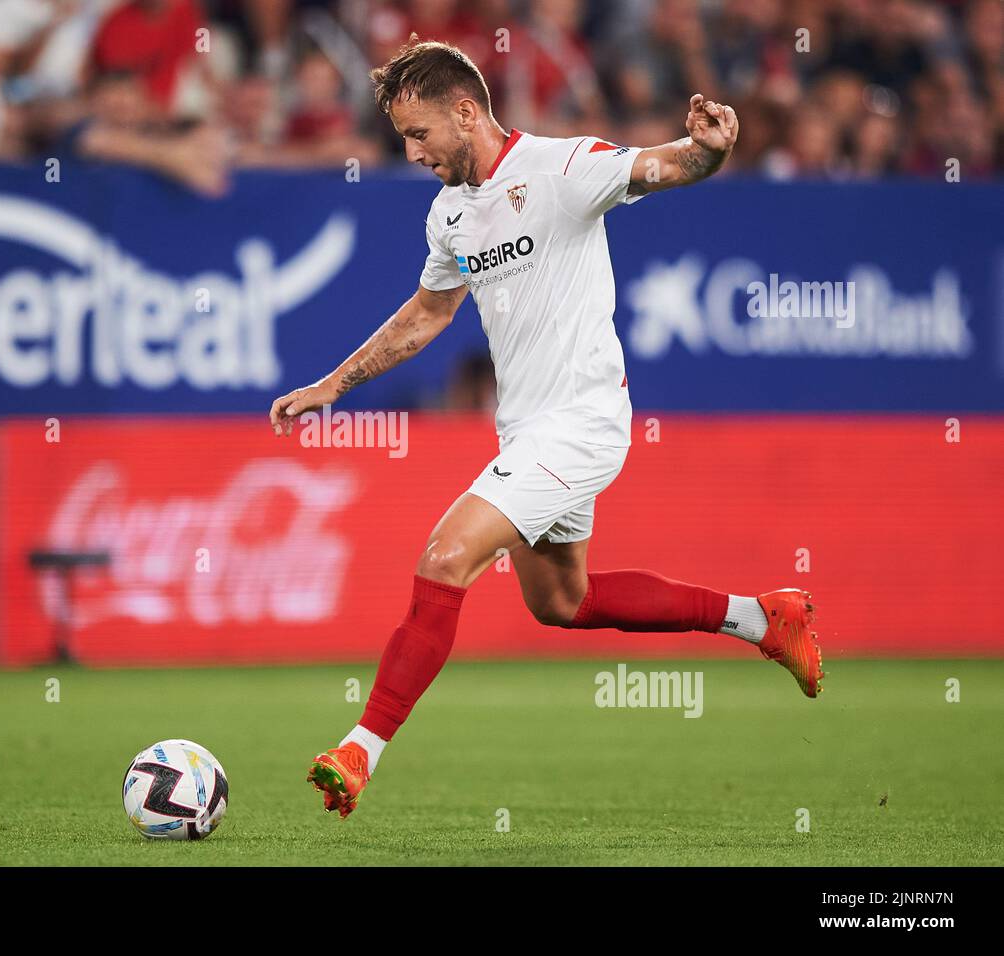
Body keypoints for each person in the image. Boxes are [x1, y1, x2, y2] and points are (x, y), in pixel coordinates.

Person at [267, 38, 825, 820]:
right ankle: (763, 617)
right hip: (526, 430)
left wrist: (707, 150)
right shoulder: (451, 214)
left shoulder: (563, 170)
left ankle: (360, 749)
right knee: (564, 602)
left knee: (444, 555)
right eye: (402, 138)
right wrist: (334, 384)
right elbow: (428, 313)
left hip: (584, 423)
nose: (412, 152)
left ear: (466, 111)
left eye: (420, 133)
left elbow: (661, 166)